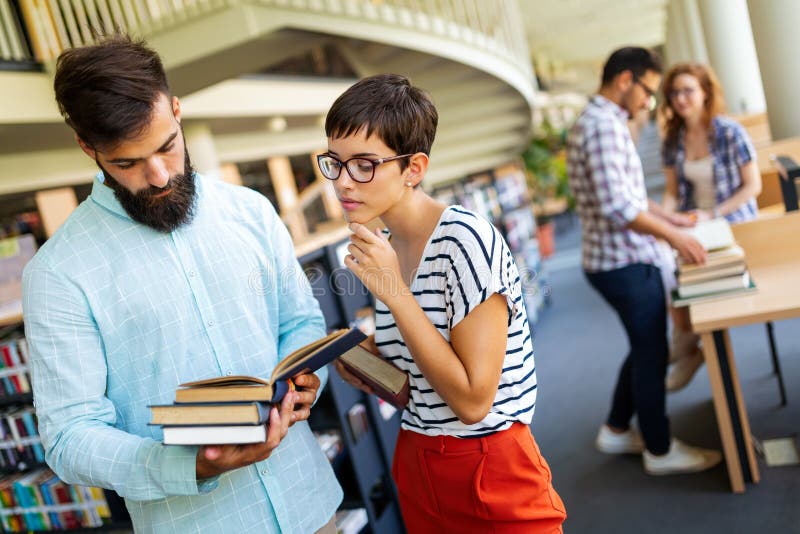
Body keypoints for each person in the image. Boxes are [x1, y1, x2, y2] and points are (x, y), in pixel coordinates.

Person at [22, 34, 342, 533]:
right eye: (126, 163)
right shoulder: (58, 274)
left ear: (176, 110)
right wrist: (188, 466)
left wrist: (306, 384)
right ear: (89, 148)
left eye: (167, 146)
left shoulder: (251, 211)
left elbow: (299, 321)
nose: (157, 176)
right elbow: (69, 436)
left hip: (309, 504)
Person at [320, 74, 566, 532]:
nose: (343, 183)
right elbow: (421, 389)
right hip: (419, 460)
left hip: (488, 463)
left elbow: (473, 401)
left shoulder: (464, 240)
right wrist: (364, 366)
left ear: (414, 169)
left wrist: (394, 293)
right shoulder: (387, 245)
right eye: (334, 162)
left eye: (365, 165)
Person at [566, 47, 722, 476]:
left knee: (645, 347)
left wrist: (667, 216)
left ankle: (617, 429)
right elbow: (619, 207)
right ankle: (659, 449)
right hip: (623, 263)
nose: (650, 102)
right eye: (649, 91)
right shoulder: (602, 127)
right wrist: (677, 237)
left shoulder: (604, 122)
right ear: (624, 81)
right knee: (653, 353)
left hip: (619, 259)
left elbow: (628, 194)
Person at [659, 62, 762, 391]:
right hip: (695, 222)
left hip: (733, 221)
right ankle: (688, 344)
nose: (680, 98)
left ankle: (685, 346)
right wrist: (664, 221)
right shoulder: (672, 141)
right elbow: (673, 194)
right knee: (659, 258)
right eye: (674, 92)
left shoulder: (730, 131)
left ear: (705, 92)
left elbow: (752, 186)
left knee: (690, 265)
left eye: (688, 90)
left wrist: (714, 213)